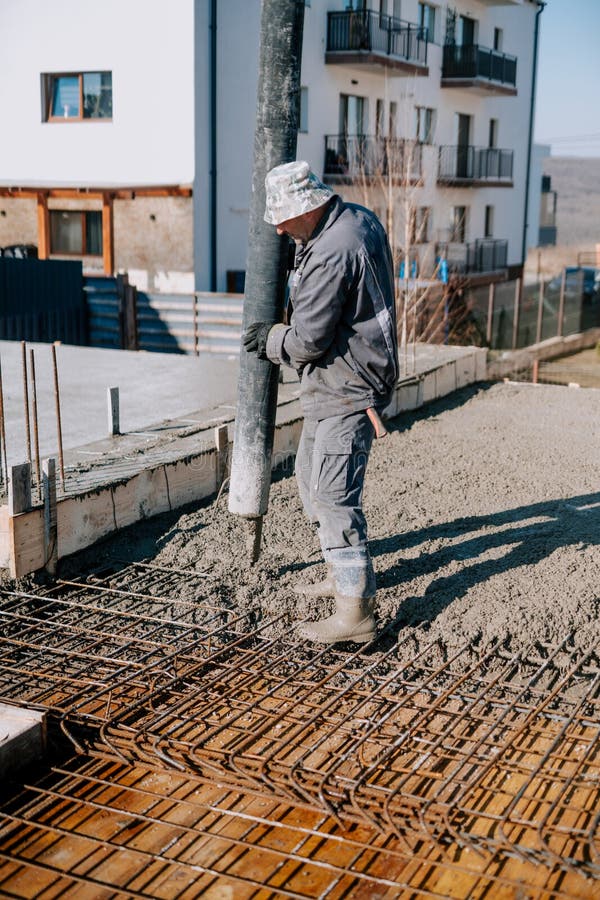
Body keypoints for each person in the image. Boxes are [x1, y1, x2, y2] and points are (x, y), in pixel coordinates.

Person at [243, 160, 398, 645]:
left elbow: (308, 340)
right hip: (338, 382)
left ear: (305, 209)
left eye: (283, 220)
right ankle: (339, 574)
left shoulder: (332, 251)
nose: (281, 229)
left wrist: (269, 340)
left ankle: (356, 613)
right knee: (311, 484)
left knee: (333, 499)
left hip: (348, 389)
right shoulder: (355, 218)